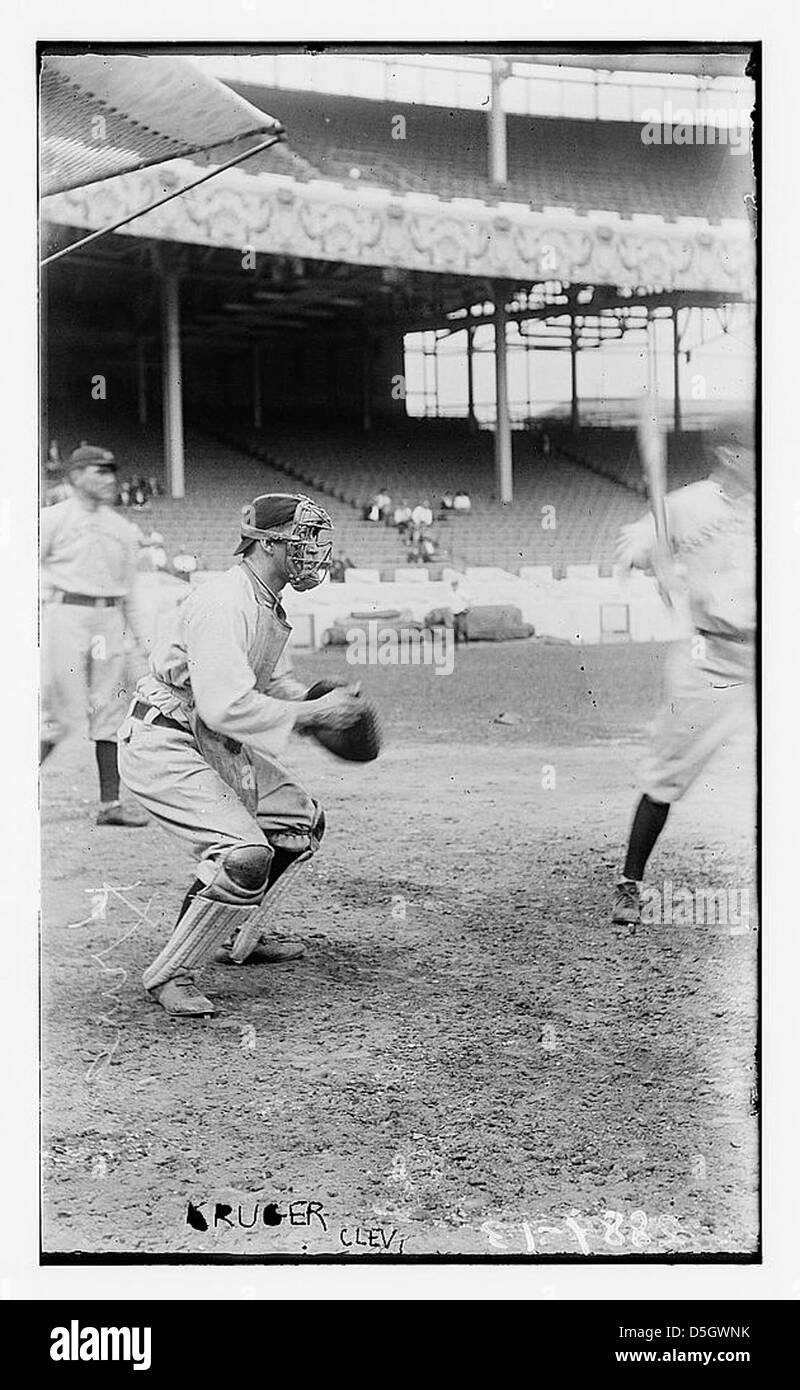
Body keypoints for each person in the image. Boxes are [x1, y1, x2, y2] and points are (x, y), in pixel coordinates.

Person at [117, 492, 364, 1018]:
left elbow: (269, 682)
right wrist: (314, 717)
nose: (314, 550)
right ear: (269, 544)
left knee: (300, 824)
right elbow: (227, 706)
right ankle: (170, 975)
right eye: (304, 539)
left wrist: (314, 700)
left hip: (206, 736)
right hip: (166, 740)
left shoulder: (264, 599)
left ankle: (235, 936)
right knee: (244, 856)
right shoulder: (226, 600)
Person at [611, 427, 755, 928]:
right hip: (709, 659)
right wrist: (649, 561)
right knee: (665, 775)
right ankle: (629, 884)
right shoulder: (687, 505)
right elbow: (638, 538)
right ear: (728, 453)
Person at [40, 444, 149, 826]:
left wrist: (143, 642)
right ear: (74, 476)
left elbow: (131, 591)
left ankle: (110, 806)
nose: (108, 478)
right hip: (66, 613)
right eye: (98, 471)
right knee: (58, 711)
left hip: (108, 618)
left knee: (110, 709)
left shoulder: (123, 528)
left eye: (110, 472)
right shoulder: (51, 519)